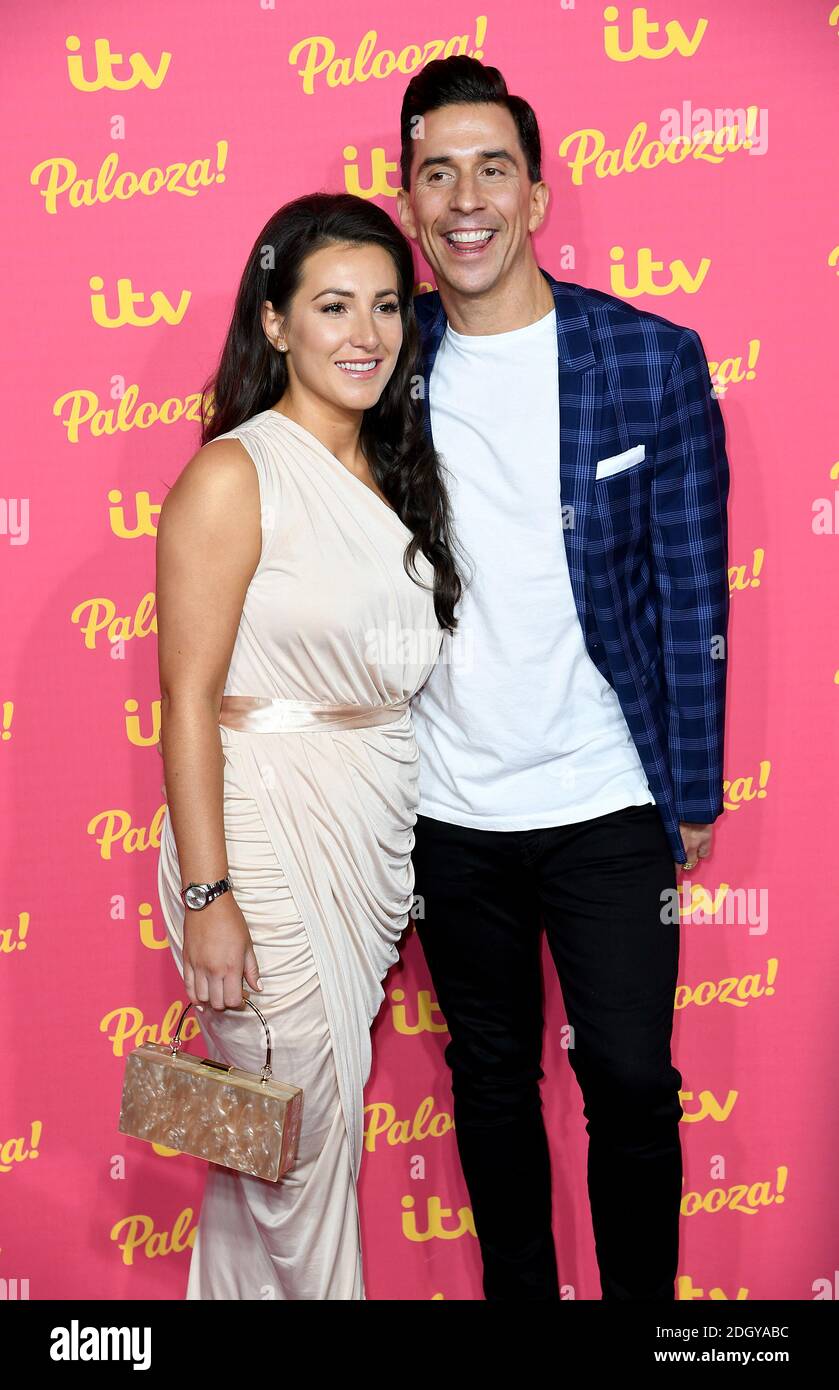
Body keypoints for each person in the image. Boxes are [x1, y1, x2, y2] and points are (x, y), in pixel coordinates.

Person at [395, 56, 731, 1300]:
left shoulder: (648, 359)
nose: (466, 196)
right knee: (487, 1079)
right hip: (441, 807)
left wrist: (688, 794)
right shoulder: (377, 363)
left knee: (633, 1082)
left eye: (493, 168)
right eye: (438, 172)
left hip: (605, 797)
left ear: (536, 194)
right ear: (408, 198)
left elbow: (695, 588)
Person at [155, 192, 462, 1300]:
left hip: (369, 838)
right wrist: (208, 895)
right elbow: (185, 700)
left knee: (260, 1146)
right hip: (260, 833)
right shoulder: (234, 474)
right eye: (332, 305)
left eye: (385, 306)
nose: (364, 333)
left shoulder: (400, 478)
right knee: (305, 1144)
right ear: (275, 322)